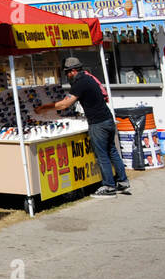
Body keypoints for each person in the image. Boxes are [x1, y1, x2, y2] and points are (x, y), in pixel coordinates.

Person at [36, 56, 129, 197]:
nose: (67, 76)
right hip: (107, 119)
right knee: (112, 151)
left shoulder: (80, 83)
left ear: (73, 71)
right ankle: (123, 181)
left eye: (67, 73)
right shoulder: (89, 78)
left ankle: (109, 187)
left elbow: (65, 104)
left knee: (102, 155)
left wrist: (44, 107)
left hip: (98, 123)